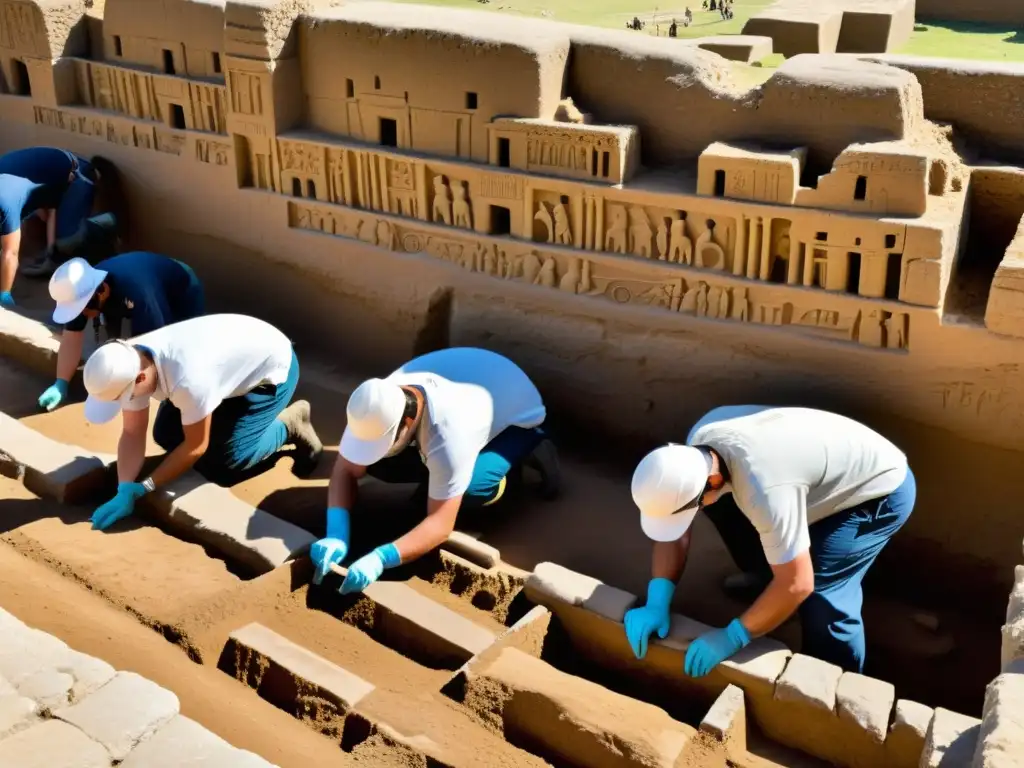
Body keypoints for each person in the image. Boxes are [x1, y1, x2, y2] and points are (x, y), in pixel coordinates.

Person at [624, 405, 915, 677]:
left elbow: (798, 583)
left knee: (822, 589)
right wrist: (656, 600)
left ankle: (836, 679)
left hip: (877, 492)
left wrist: (732, 636)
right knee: (725, 510)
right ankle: (768, 587)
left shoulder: (766, 490)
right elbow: (675, 530)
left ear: (711, 483)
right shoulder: (697, 447)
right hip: (804, 477)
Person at [311, 347, 561, 594]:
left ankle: (531, 449)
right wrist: (336, 533)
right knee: (379, 463)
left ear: (407, 423)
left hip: (516, 413)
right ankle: (438, 476)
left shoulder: (449, 432)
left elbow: (441, 523)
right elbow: (345, 469)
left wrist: (380, 558)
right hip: (474, 377)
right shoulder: (373, 405)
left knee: (474, 488)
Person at [81, 314, 323, 530]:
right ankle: (218, 411)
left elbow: (197, 446)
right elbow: (133, 431)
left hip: (272, 373)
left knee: (227, 463)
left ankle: (291, 423)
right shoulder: (127, 360)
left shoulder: (188, 381)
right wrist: (124, 487)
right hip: (225, 367)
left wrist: (145, 487)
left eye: (125, 397)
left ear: (141, 377)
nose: (127, 402)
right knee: (166, 434)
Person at [38, 253, 206, 412]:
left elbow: (157, 342)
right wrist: (61, 383)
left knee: (182, 349)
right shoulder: (83, 291)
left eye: (83, 310)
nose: (83, 316)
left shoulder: (139, 293)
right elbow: (72, 337)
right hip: (137, 285)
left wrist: (132, 388)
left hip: (182, 288)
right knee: (117, 340)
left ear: (101, 291)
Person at [0, 147, 103, 304]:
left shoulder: (6, 202)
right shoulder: (16, 189)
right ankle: (52, 255)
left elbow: (10, 253)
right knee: (32, 217)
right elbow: (46, 207)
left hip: (78, 173)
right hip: (47, 177)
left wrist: (4, 295)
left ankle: (102, 237)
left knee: (68, 239)